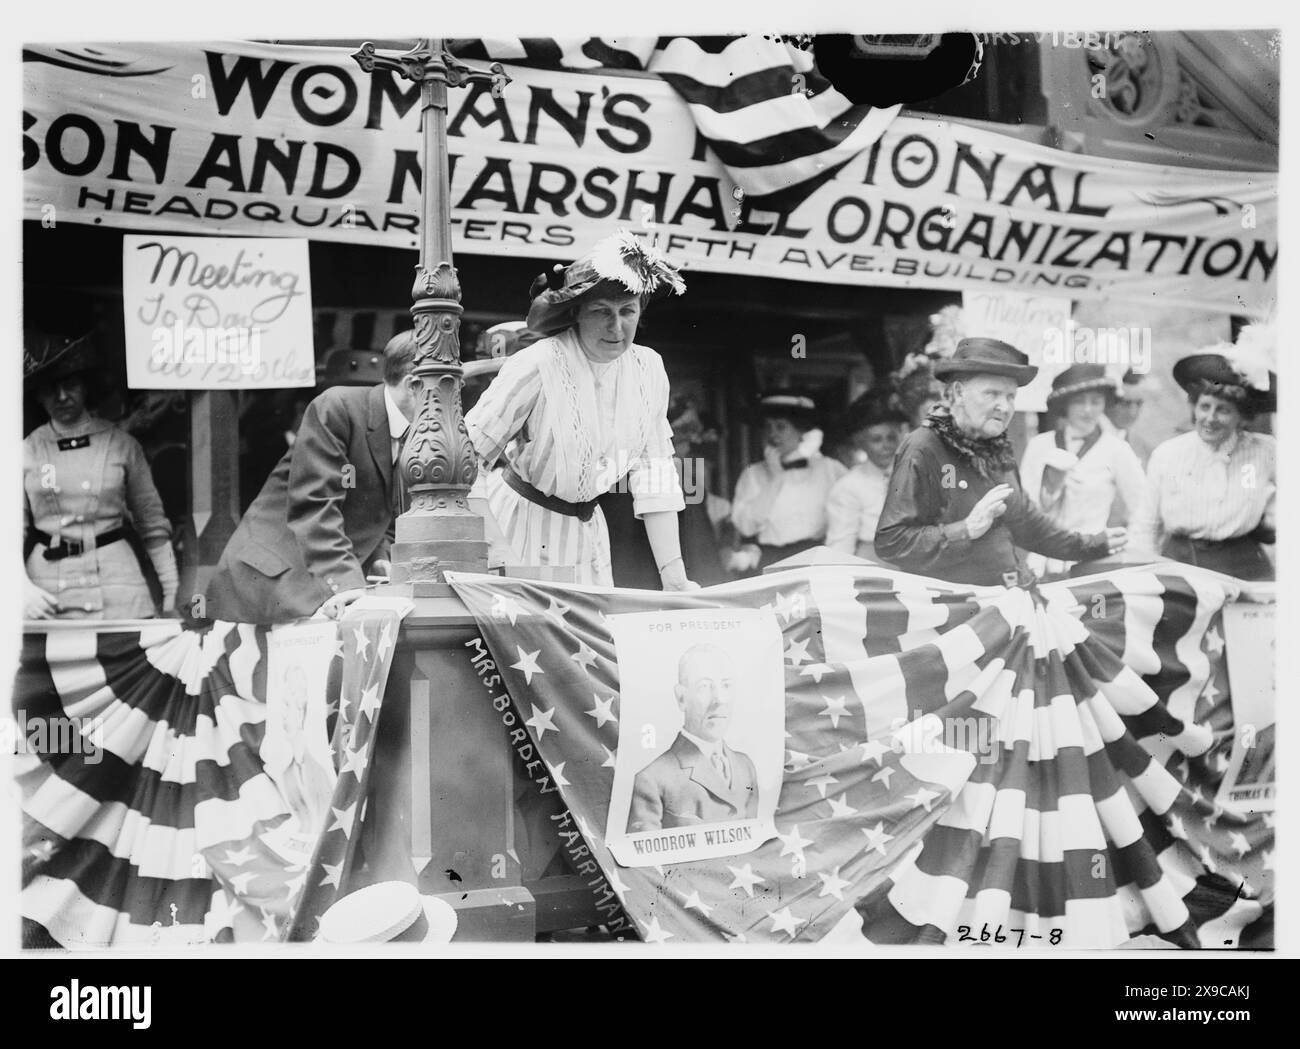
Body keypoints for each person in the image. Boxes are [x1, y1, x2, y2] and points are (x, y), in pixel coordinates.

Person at [464, 230, 694, 590]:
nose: (616, 327)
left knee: (593, 642)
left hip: (589, 536)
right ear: (576, 314)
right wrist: (497, 551)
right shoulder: (537, 363)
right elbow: (465, 459)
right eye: (601, 311)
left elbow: (655, 473)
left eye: (627, 311)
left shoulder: (649, 369)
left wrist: (674, 575)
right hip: (519, 530)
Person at [204, 331, 423, 623]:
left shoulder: (417, 433)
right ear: (414, 385)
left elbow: (386, 518)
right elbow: (316, 506)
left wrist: (381, 562)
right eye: (447, 389)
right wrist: (349, 586)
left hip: (320, 586)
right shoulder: (337, 407)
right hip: (273, 582)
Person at [874, 338, 1125, 587]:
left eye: (1010, 396)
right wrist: (966, 530)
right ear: (959, 393)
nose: (1004, 407)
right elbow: (891, 541)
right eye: (992, 394)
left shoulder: (997, 448)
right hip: (956, 611)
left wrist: (1092, 544)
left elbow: (1028, 524)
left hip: (1009, 598)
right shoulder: (923, 446)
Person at [23, 333, 178, 620]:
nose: (62, 397)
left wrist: (171, 591)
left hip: (118, 588)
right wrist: (18, 587)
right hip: (47, 592)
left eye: (70, 385)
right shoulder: (26, 451)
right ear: (38, 395)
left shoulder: (123, 445)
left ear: (85, 386)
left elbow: (152, 524)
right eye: (50, 389)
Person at [1128, 346, 1276, 581]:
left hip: (1245, 569)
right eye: (1205, 406)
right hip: (1181, 567)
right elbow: (1146, 525)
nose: (1210, 418)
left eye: (1224, 410)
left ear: (1241, 417)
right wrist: (1141, 578)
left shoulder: (1266, 452)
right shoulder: (1168, 455)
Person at [1019, 364, 1148, 577]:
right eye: (1079, 401)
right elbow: (1024, 506)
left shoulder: (1116, 449)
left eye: (1095, 401)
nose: (1088, 410)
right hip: (1040, 562)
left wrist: (1125, 551)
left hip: (1091, 560)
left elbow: (1142, 510)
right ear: (1065, 405)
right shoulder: (1039, 446)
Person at [627, 644, 759, 833]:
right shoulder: (651, 780)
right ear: (681, 698)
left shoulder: (745, 766)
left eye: (727, 685)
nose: (719, 699)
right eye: (704, 686)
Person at [730, 391, 847, 571]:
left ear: (801, 431)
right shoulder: (752, 474)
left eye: (781, 426)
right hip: (771, 560)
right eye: (768, 427)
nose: (773, 434)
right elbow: (746, 527)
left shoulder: (829, 468)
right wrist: (775, 479)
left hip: (818, 559)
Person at [825, 397, 909, 560]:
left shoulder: (912, 474)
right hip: (873, 561)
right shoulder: (849, 486)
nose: (886, 446)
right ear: (861, 443)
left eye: (891, 438)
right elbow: (841, 545)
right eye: (876, 439)